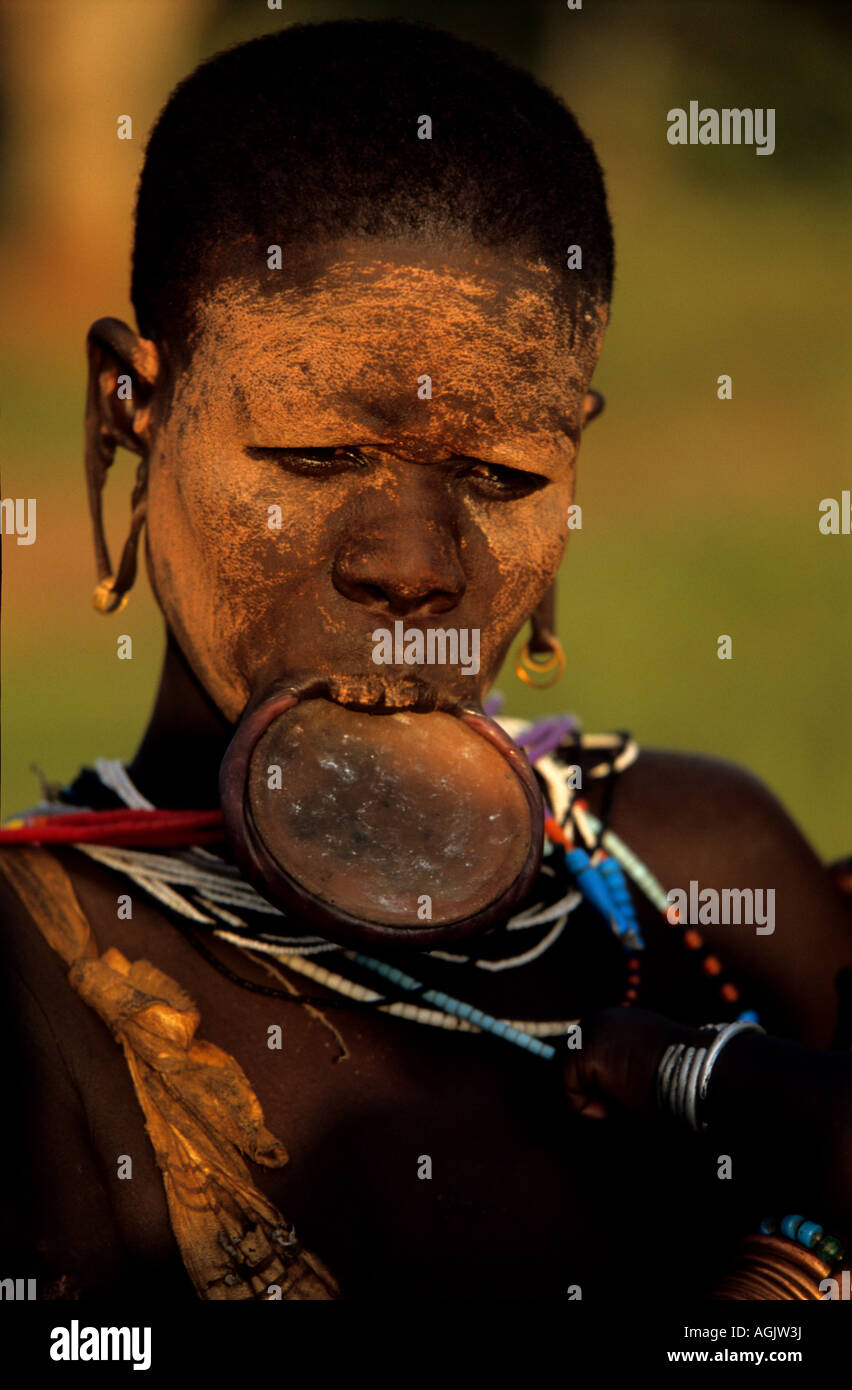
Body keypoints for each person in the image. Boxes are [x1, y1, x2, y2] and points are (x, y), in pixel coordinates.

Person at [1, 20, 849, 1304]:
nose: (411, 564)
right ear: (129, 408)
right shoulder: (23, 983)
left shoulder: (693, 864)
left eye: (503, 475)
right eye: (314, 455)